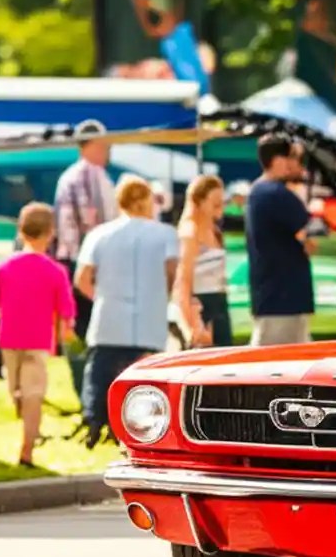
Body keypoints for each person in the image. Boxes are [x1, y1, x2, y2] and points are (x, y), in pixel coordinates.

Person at [74, 177, 179, 448]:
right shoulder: (165, 233)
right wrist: (161, 295)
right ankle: (139, 429)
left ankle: (94, 424)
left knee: (99, 376)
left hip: (109, 316)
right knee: (146, 378)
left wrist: (102, 296)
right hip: (149, 317)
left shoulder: (99, 234)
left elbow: (83, 278)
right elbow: (172, 273)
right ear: (145, 200)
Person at [0, 203, 76, 467]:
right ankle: (32, 431)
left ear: (21, 231)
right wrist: (68, 332)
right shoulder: (56, 272)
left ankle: (27, 449)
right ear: (50, 234)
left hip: (10, 342)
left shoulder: (5, 268)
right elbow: (66, 313)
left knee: (24, 393)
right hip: (38, 343)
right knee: (26, 395)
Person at [52, 120, 117, 391]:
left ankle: (91, 401)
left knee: (83, 336)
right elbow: (95, 226)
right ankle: (97, 400)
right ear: (93, 144)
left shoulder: (71, 175)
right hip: (87, 268)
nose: (109, 150)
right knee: (98, 339)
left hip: (76, 266)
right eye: (105, 144)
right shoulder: (88, 175)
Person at [246, 133, 316, 346]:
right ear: (278, 160)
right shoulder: (276, 193)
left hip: (271, 294)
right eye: (292, 157)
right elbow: (309, 238)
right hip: (284, 298)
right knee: (275, 364)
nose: (296, 163)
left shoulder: (258, 191)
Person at [175, 175, 231, 348]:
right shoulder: (190, 232)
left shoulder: (214, 231)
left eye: (222, 201)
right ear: (198, 201)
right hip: (201, 308)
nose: (220, 207)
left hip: (220, 304)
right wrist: (192, 324)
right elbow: (183, 282)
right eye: (215, 202)